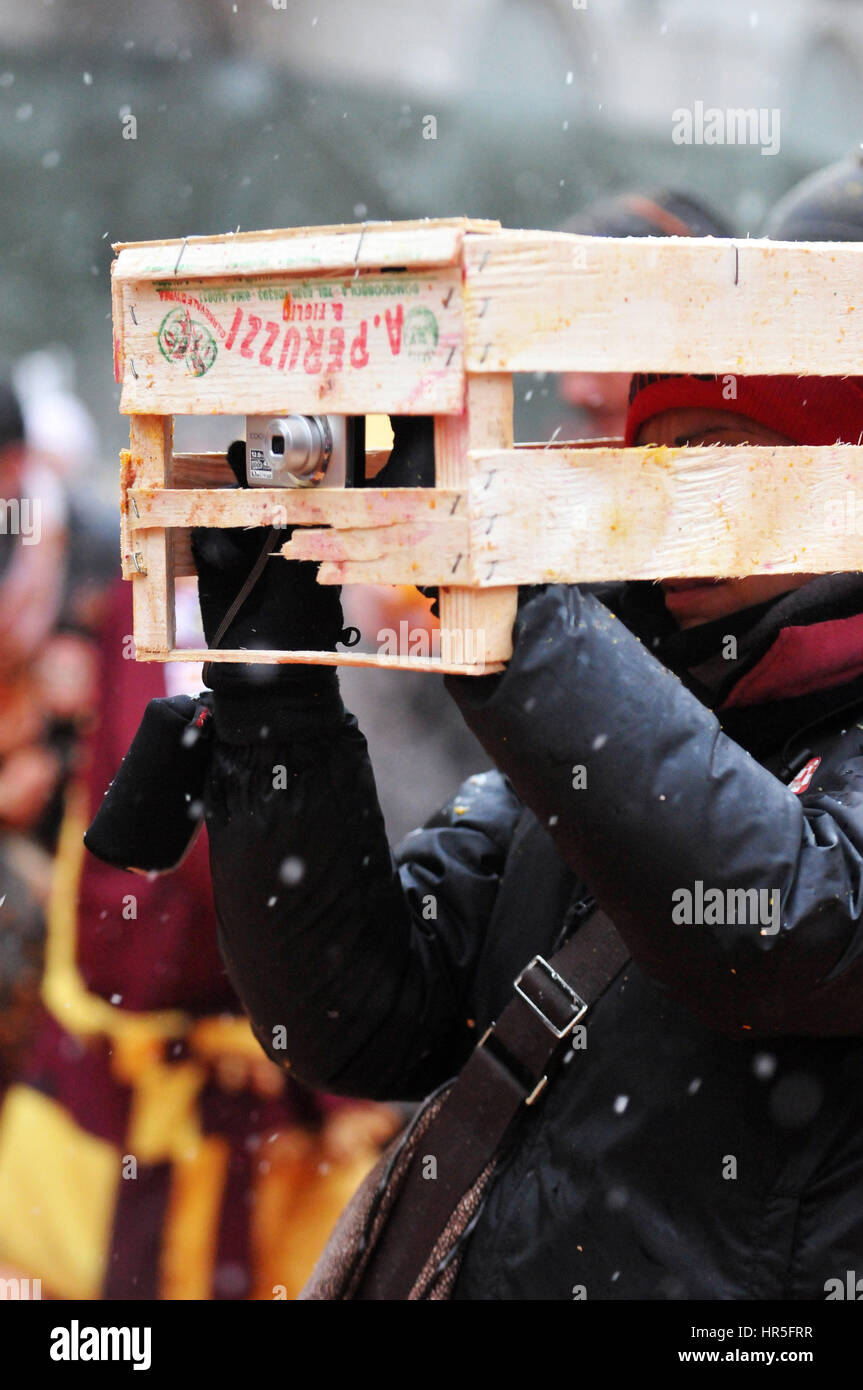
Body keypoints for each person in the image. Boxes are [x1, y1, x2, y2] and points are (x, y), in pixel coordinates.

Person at [189, 348, 863, 1300]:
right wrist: (273, 694)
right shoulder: (609, 702)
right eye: (648, 462)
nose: (663, 500)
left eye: (712, 453)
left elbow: (786, 927)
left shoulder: (582, 690)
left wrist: (496, 593)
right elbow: (355, 1021)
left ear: (842, 464)